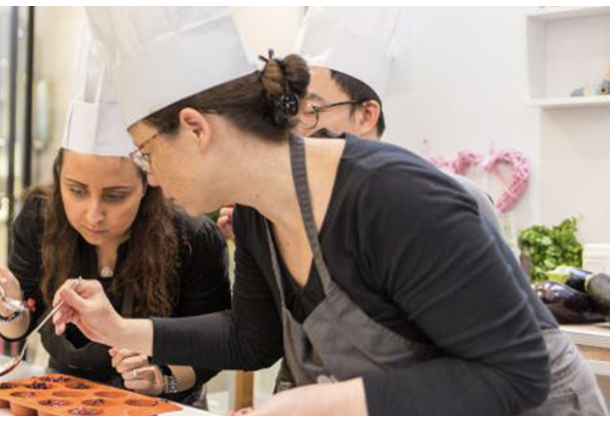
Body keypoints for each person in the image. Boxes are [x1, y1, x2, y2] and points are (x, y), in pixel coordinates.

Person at [50, 6, 607, 415]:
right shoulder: (254, 215)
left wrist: (314, 406)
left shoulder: (395, 198)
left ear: (196, 129)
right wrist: (121, 328)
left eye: (147, 154)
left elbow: (515, 376)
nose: (150, 176)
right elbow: (252, 339)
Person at [0, 29, 230, 408]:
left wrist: (159, 378)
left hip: (161, 409)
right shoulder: (39, 220)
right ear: (58, 177)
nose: (93, 214)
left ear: (148, 184)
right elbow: (18, 331)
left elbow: (214, 348)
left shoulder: (193, 237)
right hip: (58, 400)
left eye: (116, 196)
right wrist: (8, 304)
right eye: (76, 189)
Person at [218, 7, 502, 240]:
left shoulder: (453, 198)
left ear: (366, 115)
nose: (298, 129)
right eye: (290, 112)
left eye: (312, 109)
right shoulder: (280, 212)